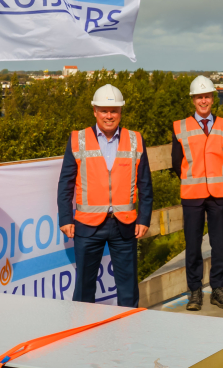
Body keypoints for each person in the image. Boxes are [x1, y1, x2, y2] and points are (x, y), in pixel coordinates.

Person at [58, 84, 154, 308]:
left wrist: (144, 218)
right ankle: (84, 328)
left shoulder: (135, 139)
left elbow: (145, 184)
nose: (109, 116)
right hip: (87, 226)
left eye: (114, 110)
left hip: (125, 225)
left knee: (128, 289)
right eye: (104, 110)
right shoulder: (78, 139)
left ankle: (127, 329)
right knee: (84, 288)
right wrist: (65, 218)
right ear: (95, 111)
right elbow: (65, 183)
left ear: (120, 111)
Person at [169, 75, 223, 311]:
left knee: (218, 244)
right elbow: (176, 162)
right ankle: (195, 291)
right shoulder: (180, 127)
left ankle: (218, 289)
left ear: (212, 98)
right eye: (199, 97)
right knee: (193, 245)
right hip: (192, 194)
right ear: (193, 100)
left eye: (206, 96)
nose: (203, 101)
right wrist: (193, 179)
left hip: (218, 194)